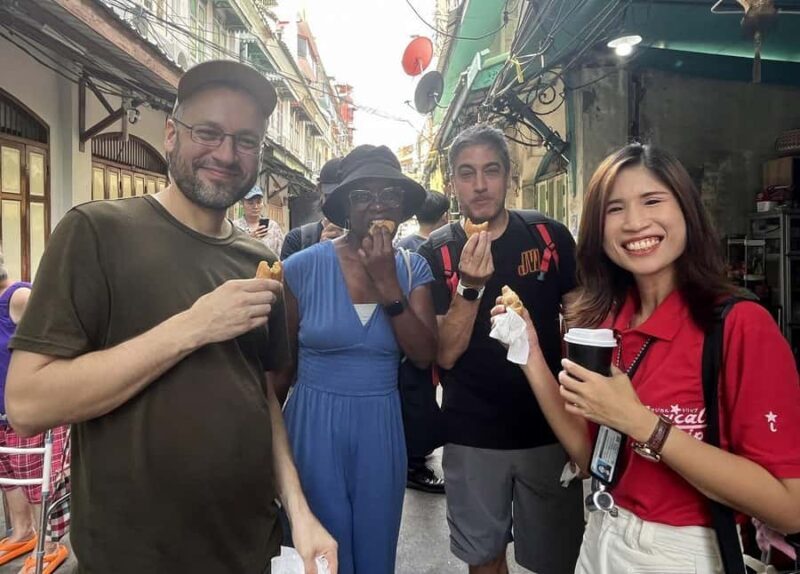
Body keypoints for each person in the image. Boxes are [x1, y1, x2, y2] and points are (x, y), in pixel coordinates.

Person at [5, 60, 337, 574]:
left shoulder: (258, 260)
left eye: (245, 141)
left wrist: (299, 512)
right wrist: (194, 326)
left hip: (249, 548)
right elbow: (27, 403)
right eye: (208, 132)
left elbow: (262, 396)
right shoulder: (96, 233)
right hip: (133, 558)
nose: (225, 153)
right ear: (170, 134)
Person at [494, 143, 800, 573]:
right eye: (615, 208)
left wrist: (644, 425)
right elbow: (590, 457)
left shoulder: (740, 326)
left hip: (685, 551)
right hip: (601, 536)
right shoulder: (603, 325)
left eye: (653, 200)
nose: (635, 222)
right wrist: (526, 350)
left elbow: (789, 507)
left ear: (687, 210)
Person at [417, 124, 583, 574]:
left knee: (556, 560)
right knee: (484, 559)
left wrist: (582, 425)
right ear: (452, 182)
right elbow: (445, 355)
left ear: (509, 176)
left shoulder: (548, 238)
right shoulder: (438, 253)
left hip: (547, 429)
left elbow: (580, 326)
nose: (480, 184)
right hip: (472, 433)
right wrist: (470, 286)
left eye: (491, 170)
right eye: (466, 173)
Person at [275, 144, 437, 574]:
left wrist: (388, 285)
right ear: (345, 206)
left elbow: (424, 355)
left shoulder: (413, 269)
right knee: (320, 557)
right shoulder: (300, 268)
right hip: (312, 426)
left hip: (379, 430)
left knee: (374, 551)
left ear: (403, 207)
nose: (377, 205)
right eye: (363, 195)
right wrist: (266, 450)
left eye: (390, 194)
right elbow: (282, 369)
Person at [0, 261, 70, 574]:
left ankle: (50, 545)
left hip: (29, 411)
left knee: (36, 479)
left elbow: (60, 336)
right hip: (2, 413)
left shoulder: (18, 297)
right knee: (9, 477)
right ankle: (22, 532)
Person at [396, 190, 450, 494]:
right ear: (444, 216)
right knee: (418, 399)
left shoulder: (404, 246)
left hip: (409, 337)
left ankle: (416, 455)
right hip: (421, 337)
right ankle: (414, 465)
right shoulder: (434, 248)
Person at [280, 158, 346, 260]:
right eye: (331, 196)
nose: (337, 204)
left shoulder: (367, 243)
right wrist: (320, 253)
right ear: (320, 192)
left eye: (343, 197)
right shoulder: (297, 240)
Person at [234, 185, 286, 255]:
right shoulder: (235, 227)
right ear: (242, 204)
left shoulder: (272, 227)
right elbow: (230, 254)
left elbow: (282, 254)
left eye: (258, 202)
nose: (255, 207)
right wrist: (249, 240)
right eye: (250, 203)